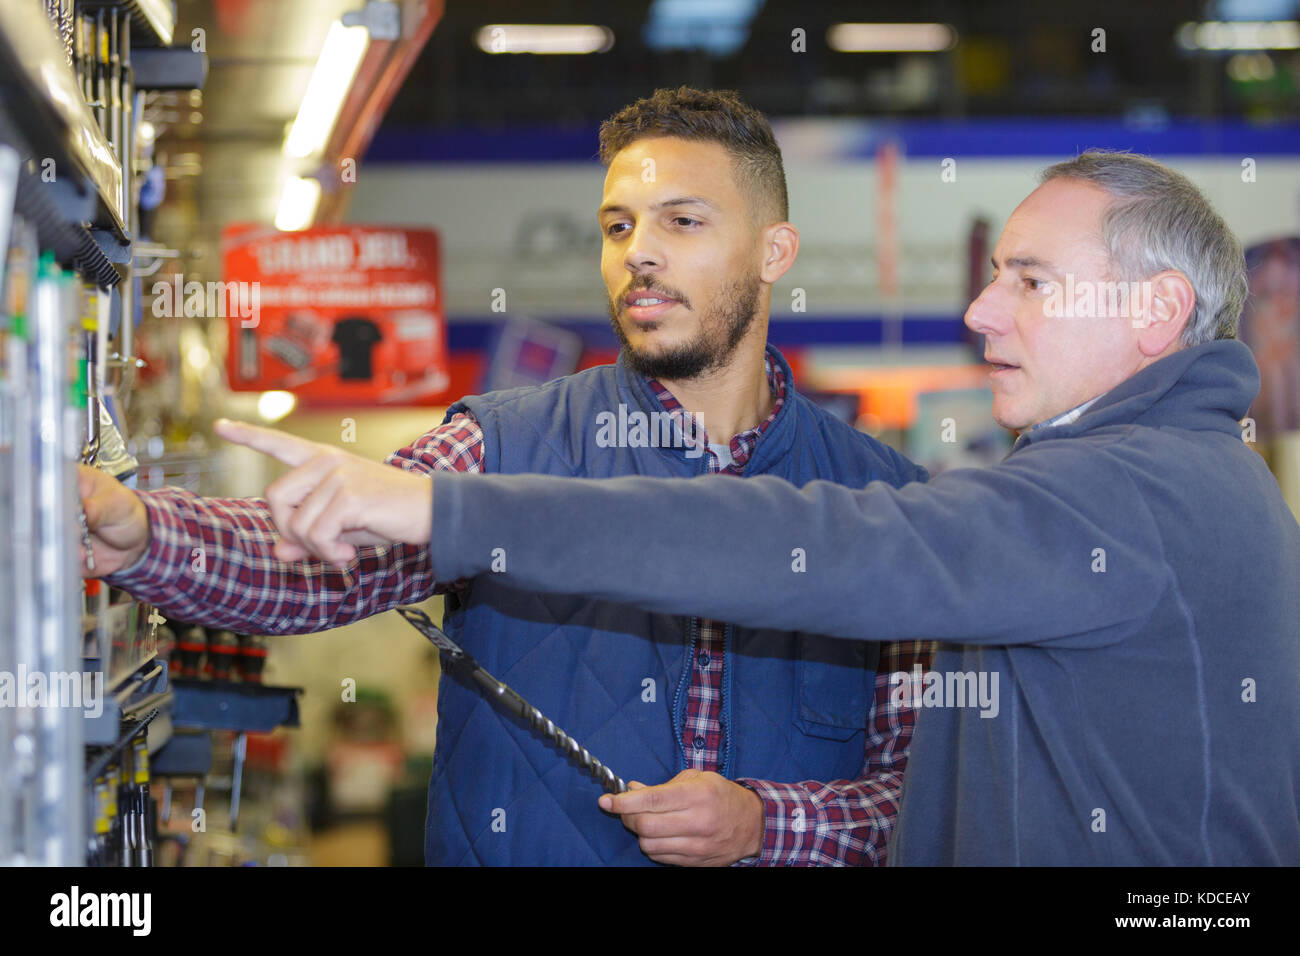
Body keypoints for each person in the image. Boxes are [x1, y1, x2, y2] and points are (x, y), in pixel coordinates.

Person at [221, 150, 1300, 865]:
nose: (980, 307)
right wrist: (134, 529)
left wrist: (446, 509)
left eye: (1028, 280)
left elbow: (813, 542)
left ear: (1155, 311)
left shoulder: (1134, 491)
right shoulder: (1167, 475)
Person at [80, 87, 931, 866]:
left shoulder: (888, 503)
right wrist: (144, 531)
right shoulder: (504, 443)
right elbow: (312, 570)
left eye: (683, 222)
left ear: (773, 250)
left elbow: (921, 799)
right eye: (619, 225)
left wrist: (762, 822)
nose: (639, 254)